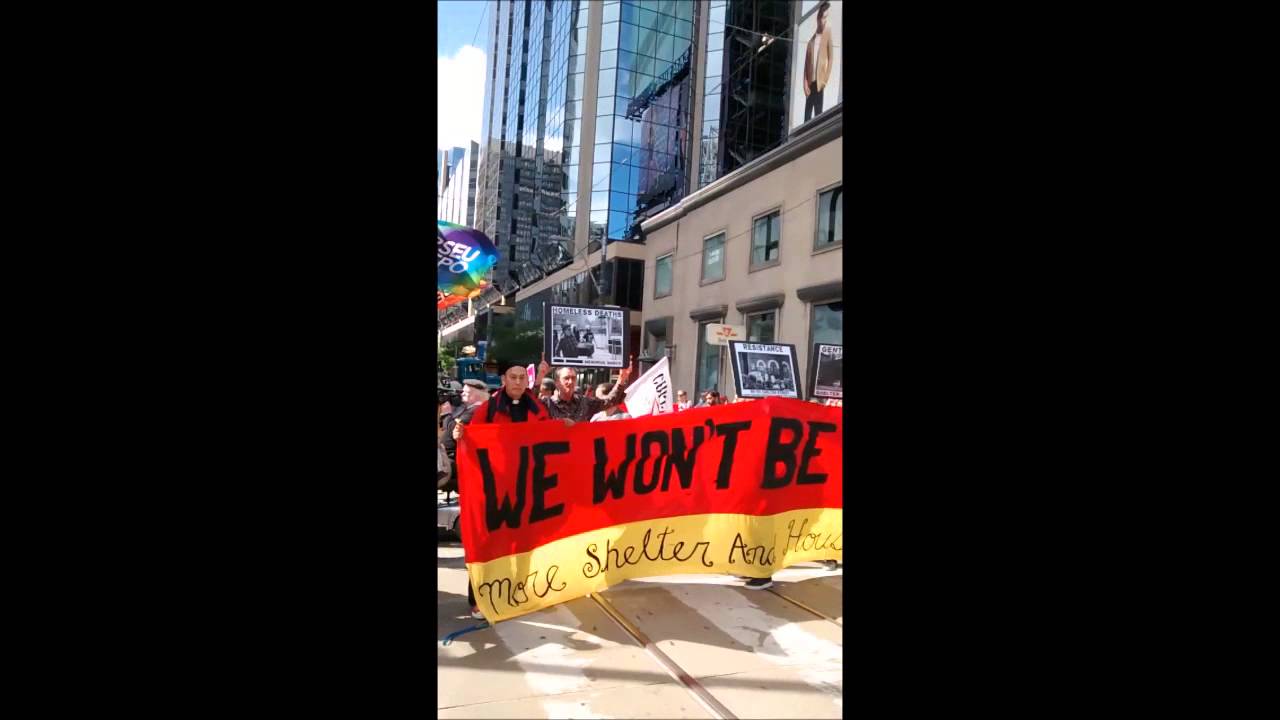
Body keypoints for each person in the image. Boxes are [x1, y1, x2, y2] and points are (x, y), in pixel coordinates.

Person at [452, 358, 557, 619]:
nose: (518, 382)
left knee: (525, 543)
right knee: (487, 544)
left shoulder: (537, 407)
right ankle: (478, 600)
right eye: (513, 377)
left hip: (526, 488)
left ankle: (518, 593)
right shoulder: (488, 408)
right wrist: (459, 435)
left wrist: (564, 428)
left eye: (522, 377)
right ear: (503, 380)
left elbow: (550, 434)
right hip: (494, 489)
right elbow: (465, 435)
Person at [439, 379, 489, 501]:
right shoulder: (468, 409)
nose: (462, 394)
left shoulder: (475, 410)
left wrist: (446, 414)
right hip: (449, 455)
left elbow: (451, 430)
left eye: (466, 393)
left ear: (475, 395)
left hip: (453, 458)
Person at [544, 361, 634, 425]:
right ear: (557, 382)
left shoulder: (584, 402)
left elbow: (610, 402)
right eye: (566, 378)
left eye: (573, 378)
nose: (570, 381)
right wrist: (559, 423)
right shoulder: (547, 404)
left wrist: (622, 378)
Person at [802, 1, 834, 123]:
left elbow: (831, 58)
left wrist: (825, 79)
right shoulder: (811, 42)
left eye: (826, 18)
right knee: (807, 115)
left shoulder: (827, 35)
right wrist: (805, 83)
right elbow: (806, 65)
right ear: (818, 18)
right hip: (810, 83)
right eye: (822, 18)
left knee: (818, 114)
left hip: (820, 82)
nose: (823, 21)